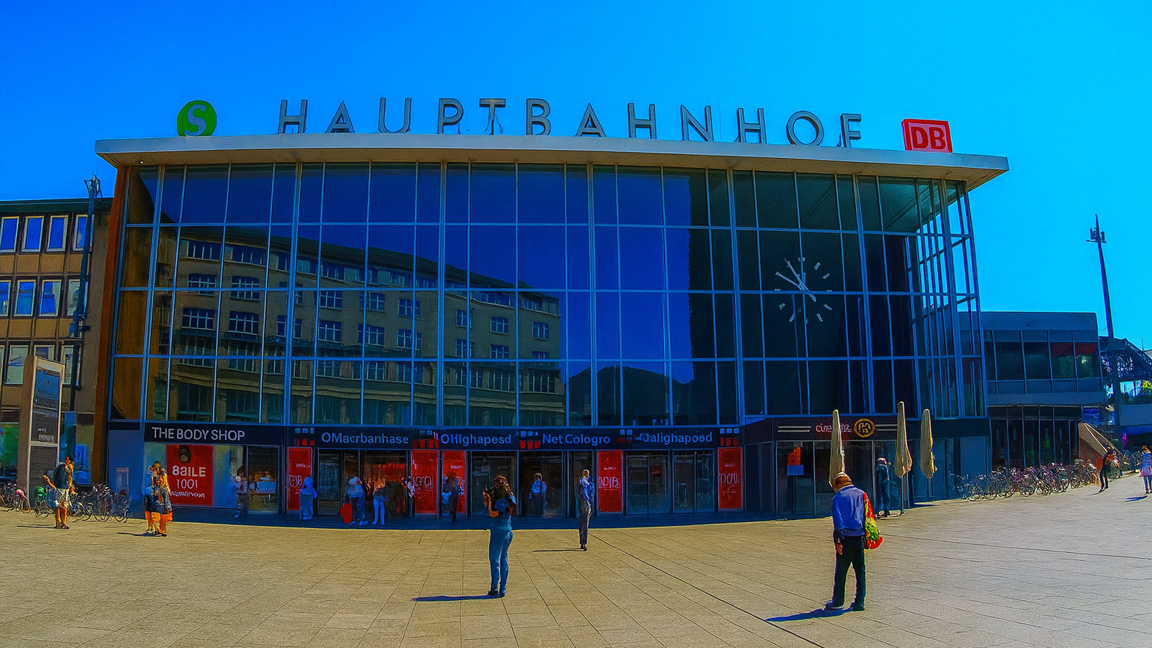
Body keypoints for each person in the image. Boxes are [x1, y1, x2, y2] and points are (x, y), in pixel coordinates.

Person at [825, 472, 866, 612]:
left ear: (838, 484)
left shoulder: (838, 497)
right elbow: (864, 515)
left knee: (841, 571)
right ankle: (860, 602)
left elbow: (838, 520)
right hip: (859, 536)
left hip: (845, 538)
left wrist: (837, 540)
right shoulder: (861, 494)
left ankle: (838, 601)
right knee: (860, 571)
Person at [483, 475, 517, 598]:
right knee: (503, 558)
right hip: (507, 530)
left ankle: (494, 587)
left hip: (497, 531)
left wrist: (488, 499)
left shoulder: (495, 495)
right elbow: (513, 510)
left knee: (494, 559)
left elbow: (491, 512)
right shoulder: (509, 495)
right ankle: (503, 589)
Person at [46, 456, 75, 530]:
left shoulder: (68, 470)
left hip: (65, 489)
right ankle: (58, 522)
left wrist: (70, 486)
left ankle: (64, 522)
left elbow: (70, 477)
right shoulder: (61, 468)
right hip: (60, 488)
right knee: (58, 506)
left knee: (64, 507)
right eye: (66, 459)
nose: (67, 461)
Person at [577, 469, 594, 551]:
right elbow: (589, 494)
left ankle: (582, 542)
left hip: (585, 503)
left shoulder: (584, 482)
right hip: (586, 503)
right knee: (585, 524)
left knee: (582, 524)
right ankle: (583, 542)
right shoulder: (586, 482)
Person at [153, 469, 173, 537]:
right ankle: (157, 530)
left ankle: (162, 530)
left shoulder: (163, 489)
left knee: (163, 519)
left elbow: (166, 499)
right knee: (156, 518)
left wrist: (168, 507)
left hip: (162, 505)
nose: (159, 481)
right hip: (156, 505)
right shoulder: (153, 488)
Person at [143, 461, 160, 533]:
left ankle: (151, 526)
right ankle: (152, 526)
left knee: (149, 511)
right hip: (151, 493)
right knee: (152, 510)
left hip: (147, 493)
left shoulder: (148, 473)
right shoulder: (153, 475)